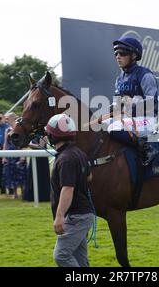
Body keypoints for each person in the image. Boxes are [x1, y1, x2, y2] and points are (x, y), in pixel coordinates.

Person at [46, 114, 94, 267]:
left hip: (76, 217)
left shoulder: (65, 159)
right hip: (83, 214)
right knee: (80, 259)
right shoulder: (79, 153)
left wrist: (59, 216)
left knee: (62, 255)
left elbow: (68, 188)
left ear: (53, 136)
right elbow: (89, 177)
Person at [106, 36, 159, 166]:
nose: (118, 56)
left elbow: (152, 102)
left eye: (122, 53)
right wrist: (113, 106)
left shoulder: (145, 75)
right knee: (100, 125)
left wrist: (131, 102)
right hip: (128, 121)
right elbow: (118, 102)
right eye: (116, 53)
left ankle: (146, 148)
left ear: (134, 55)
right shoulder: (120, 79)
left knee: (113, 129)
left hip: (146, 120)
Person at [2, 112, 26, 199]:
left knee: (21, 174)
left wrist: (23, 155)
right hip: (10, 154)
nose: (6, 120)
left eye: (7, 118)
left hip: (19, 152)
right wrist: (4, 156)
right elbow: (5, 143)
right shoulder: (7, 130)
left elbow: (23, 142)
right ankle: (15, 193)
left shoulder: (20, 128)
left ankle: (23, 193)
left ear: (12, 118)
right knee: (12, 174)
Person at [23, 135, 51, 203]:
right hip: (34, 157)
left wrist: (29, 144)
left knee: (41, 176)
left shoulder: (44, 136)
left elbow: (40, 146)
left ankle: (43, 196)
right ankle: (31, 196)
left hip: (41, 159)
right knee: (32, 176)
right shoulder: (33, 135)